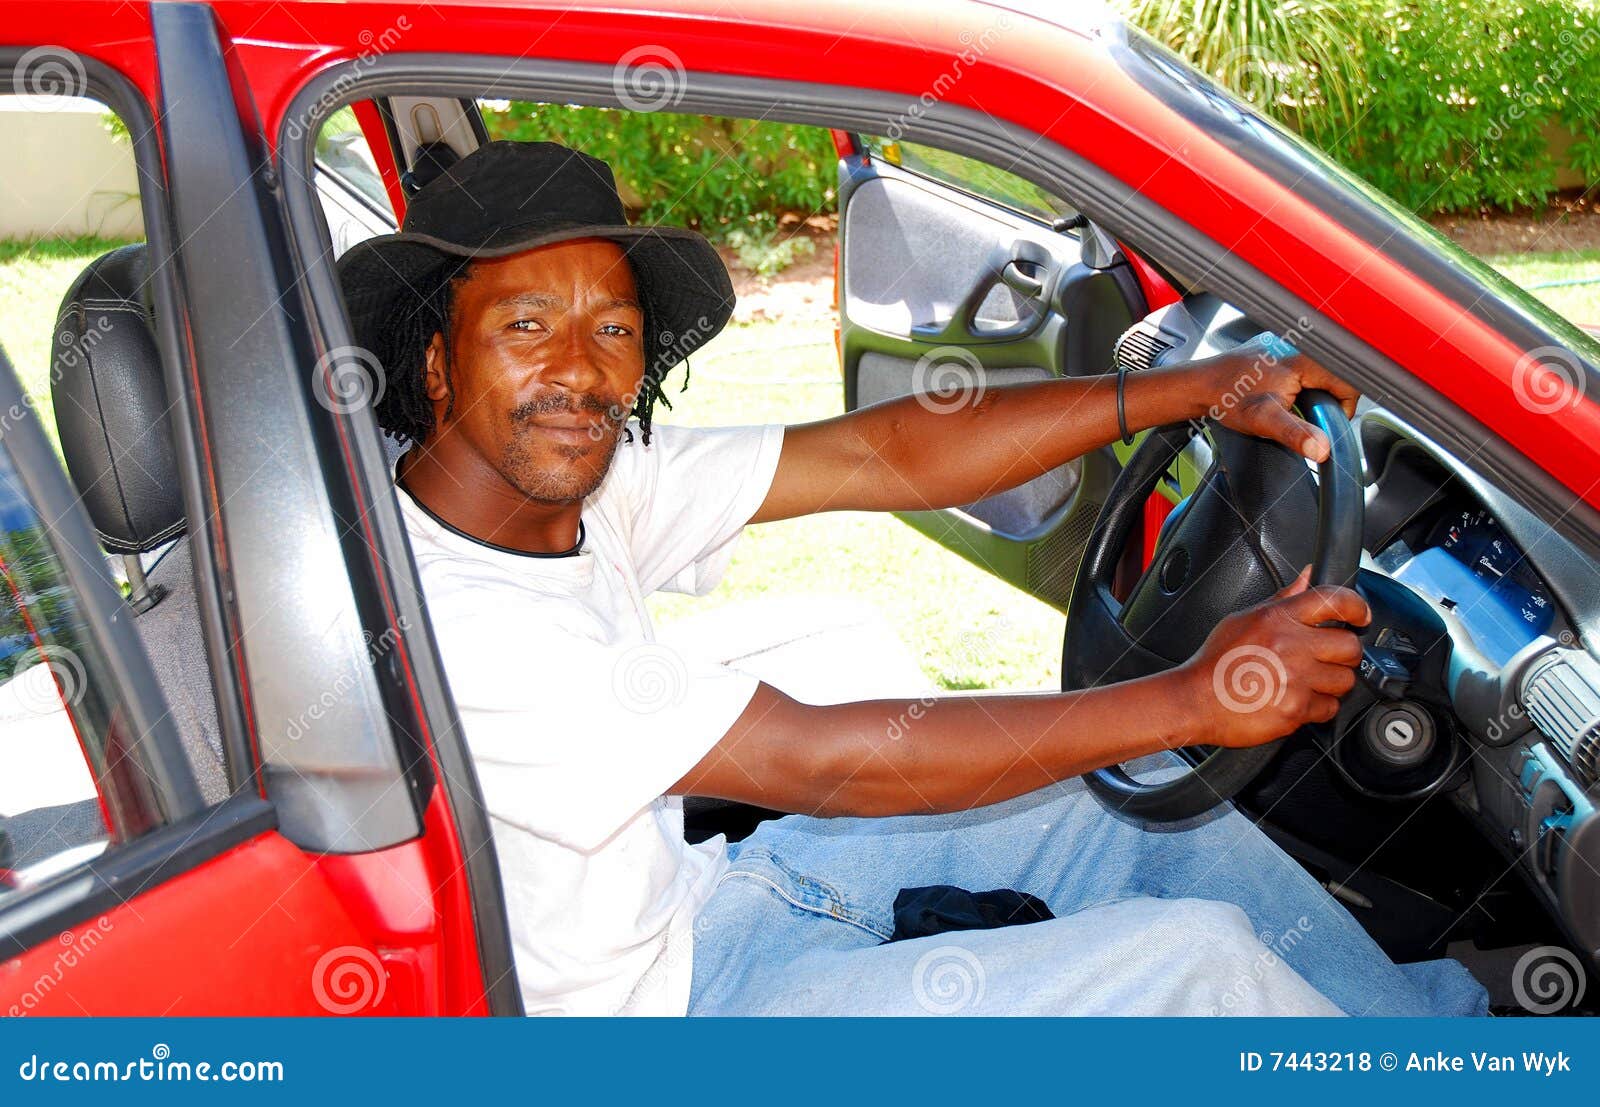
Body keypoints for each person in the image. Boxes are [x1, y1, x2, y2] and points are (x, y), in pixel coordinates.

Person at [337, 141, 1488, 1017]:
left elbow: (883, 453)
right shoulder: (455, 616)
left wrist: (1186, 392)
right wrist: (1194, 697)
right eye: (525, 325)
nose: (577, 371)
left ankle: (1439, 1042)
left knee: (1138, 813)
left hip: (710, 906)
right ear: (438, 359)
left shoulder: (576, 480)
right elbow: (818, 758)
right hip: (668, 1023)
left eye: (613, 330)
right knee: (1194, 968)